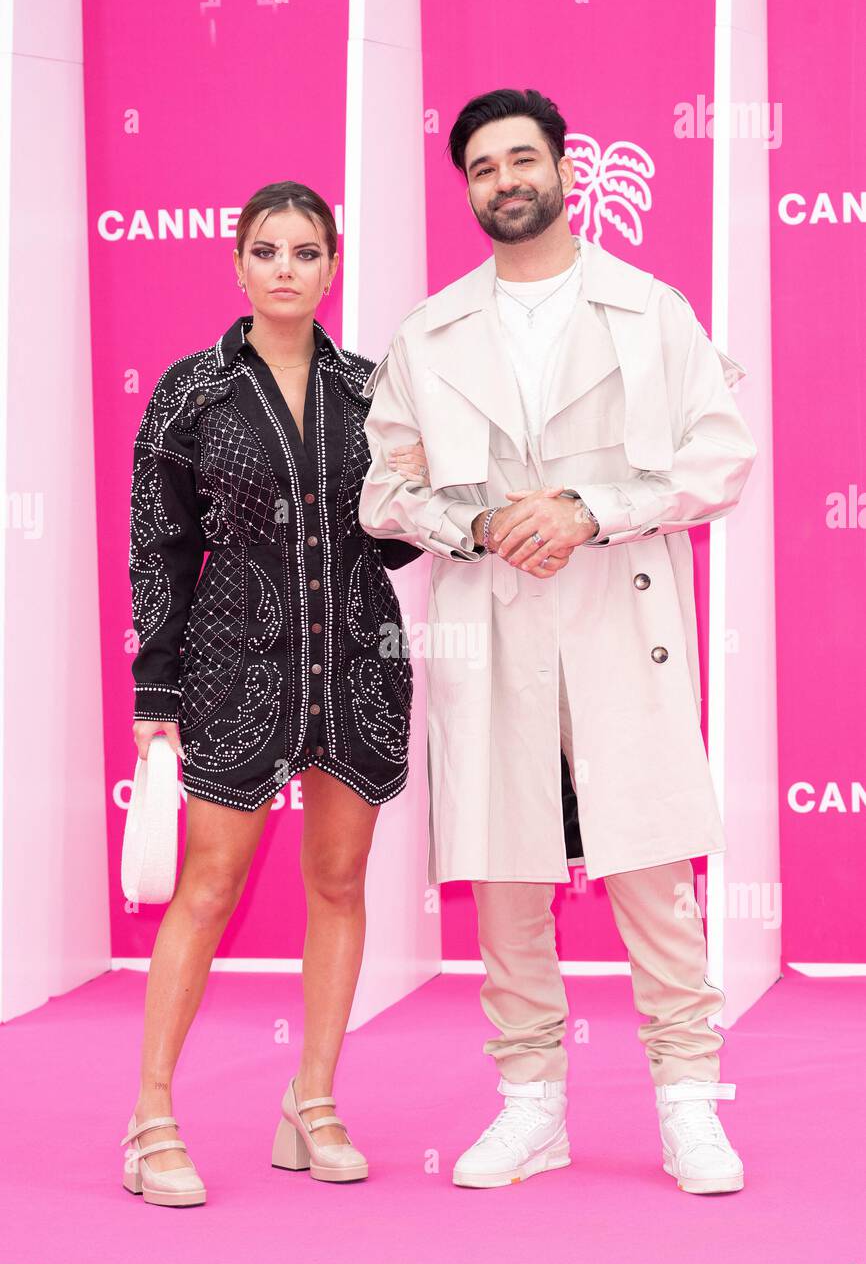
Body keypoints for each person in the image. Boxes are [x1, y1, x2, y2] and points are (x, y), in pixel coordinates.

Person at [358, 88, 757, 1194]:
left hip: (618, 615)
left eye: (520, 159)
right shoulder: (429, 333)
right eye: (481, 167)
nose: (503, 181)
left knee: (649, 873)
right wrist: (475, 522)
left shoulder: (649, 310)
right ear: (467, 187)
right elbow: (381, 490)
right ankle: (530, 1107)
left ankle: (689, 1104)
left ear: (564, 168)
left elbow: (718, 460)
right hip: (491, 620)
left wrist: (588, 507)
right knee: (504, 878)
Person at [122, 181, 421, 1206]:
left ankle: (313, 1099)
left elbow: (392, 534)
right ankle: (151, 1115)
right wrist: (152, 692)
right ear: (238, 264)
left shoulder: (375, 389)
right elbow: (159, 548)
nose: (286, 268)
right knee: (208, 889)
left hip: (354, 665)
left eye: (306, 251)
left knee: (339, 882)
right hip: (229, 668)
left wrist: (430, 498)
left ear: (332, 264)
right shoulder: (191, 391)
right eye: (267, 251)